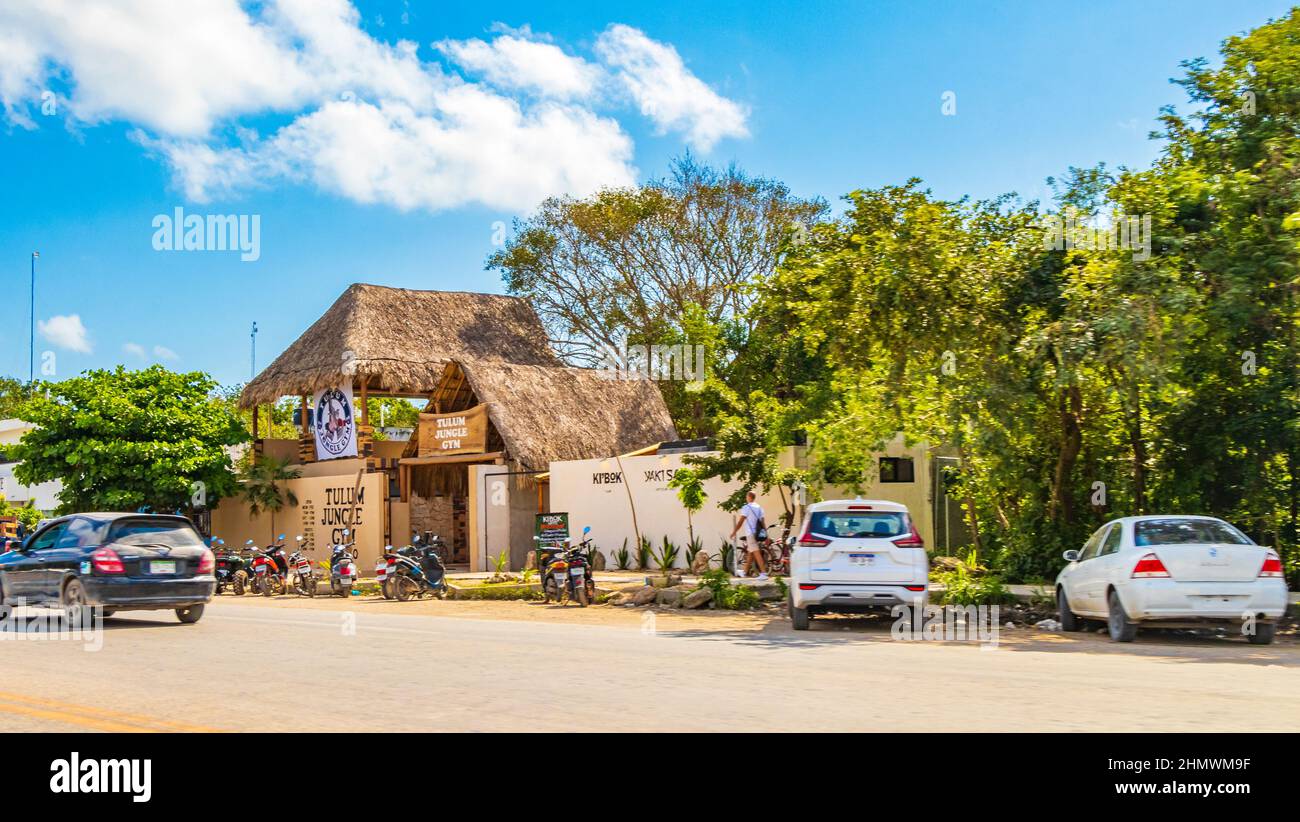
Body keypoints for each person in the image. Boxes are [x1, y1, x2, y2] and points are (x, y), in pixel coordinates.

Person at [728, 491, 768, 579]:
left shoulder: (746, 507)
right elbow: (763, 522)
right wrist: (766, 534)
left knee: (756, 552)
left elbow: (740, 521)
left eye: (746, 496)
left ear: (749, 497)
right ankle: (744, 572)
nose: (746, 498)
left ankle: (764, 573)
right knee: (751, 552)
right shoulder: (759, 507)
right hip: (757, 533)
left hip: (750, 533)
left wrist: (734, 532)